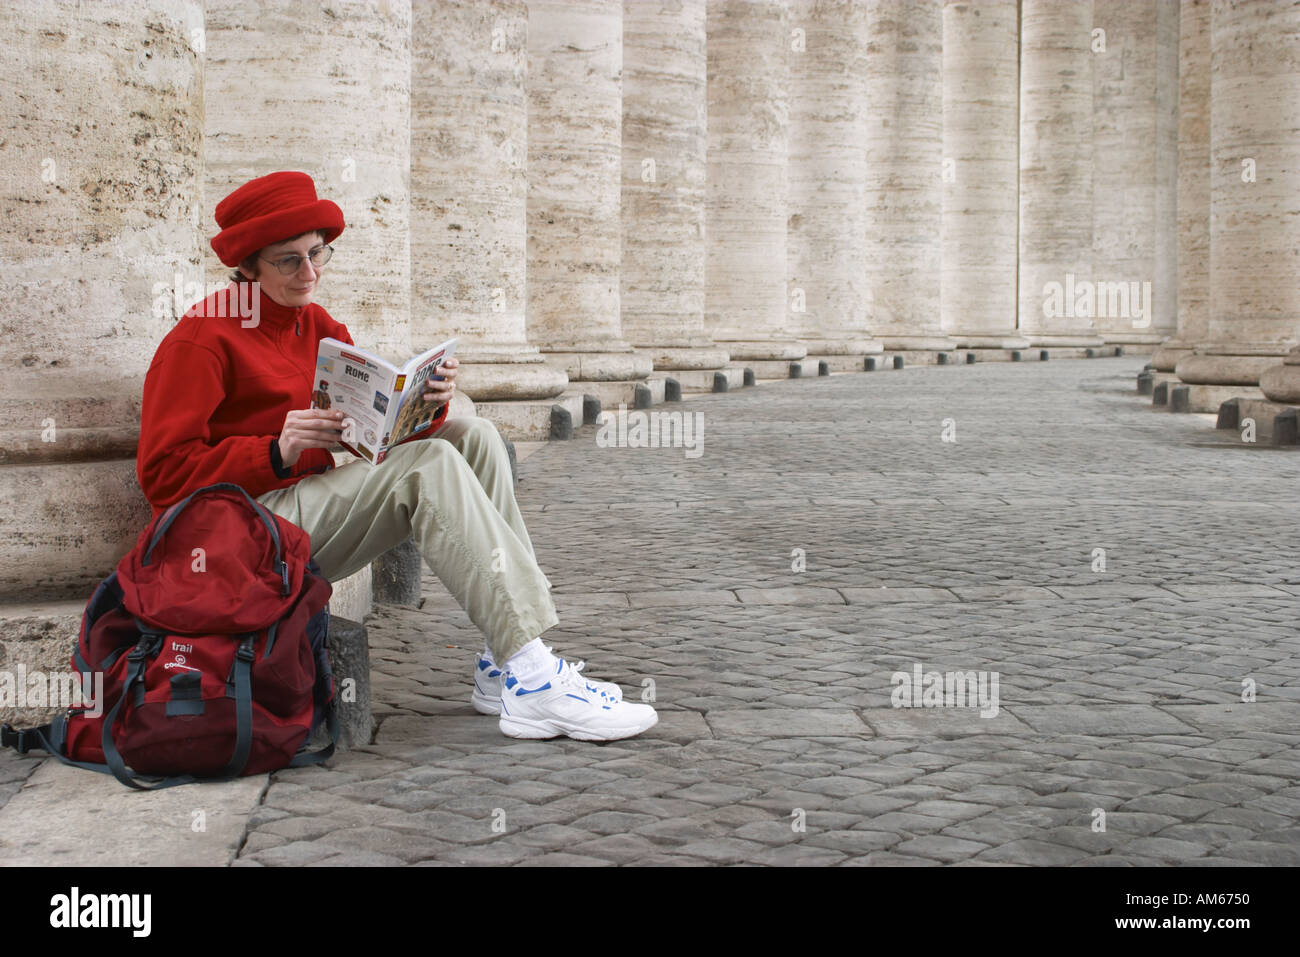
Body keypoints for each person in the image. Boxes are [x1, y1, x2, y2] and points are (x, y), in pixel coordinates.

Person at [135, 170, 657, 742]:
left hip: (299, 516)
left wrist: (427, 403)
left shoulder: (318, 327)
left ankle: (502, 662)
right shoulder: (202, 338)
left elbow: (373, 434)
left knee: (472, 435)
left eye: (317, 253)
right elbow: (162, 477)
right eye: (288, 261)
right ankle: (534, 681)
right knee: (428, 468)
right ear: (248, 266)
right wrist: (274, 451)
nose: (309, 273)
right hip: (239, 536)